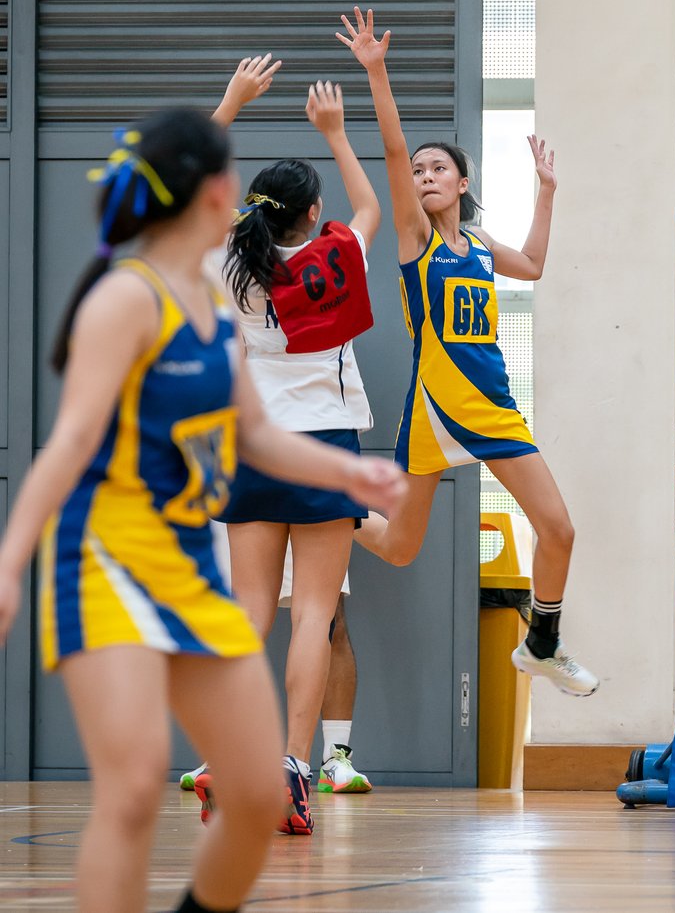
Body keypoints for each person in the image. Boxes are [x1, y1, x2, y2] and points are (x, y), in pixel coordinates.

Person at [0, 109, 403, 913]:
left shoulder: (217, 307)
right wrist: (11, 565)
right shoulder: (126, 298)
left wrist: (351, 476)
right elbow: (72, 441)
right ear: (216, 193)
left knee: (257, 798)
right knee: (134, 793)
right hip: (108, 563)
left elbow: (256, 432)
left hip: (185, 567)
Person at [338, 6, 598, 698]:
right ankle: (322, 503)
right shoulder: (414, 241)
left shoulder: (480, 246)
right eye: (418, 168)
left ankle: (541, 642)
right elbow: (391, 152)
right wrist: (376, 70)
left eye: (437, 168)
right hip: (435, 410)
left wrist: (547, 193)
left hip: (494, 407)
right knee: (397, 548)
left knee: (560, 530)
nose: (422, 174)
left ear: (461, 183)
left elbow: (537, 265)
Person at [205, 72, 382, 826]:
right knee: (314, 615)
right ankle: (290, 767)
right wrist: (336, 132)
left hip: (254, 443)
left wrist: (233, 104)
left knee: (248, 612)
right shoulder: (338, 255)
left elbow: (185, 199)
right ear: (314, 213)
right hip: (325, 443)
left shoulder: (227, 266)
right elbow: (372, 206)